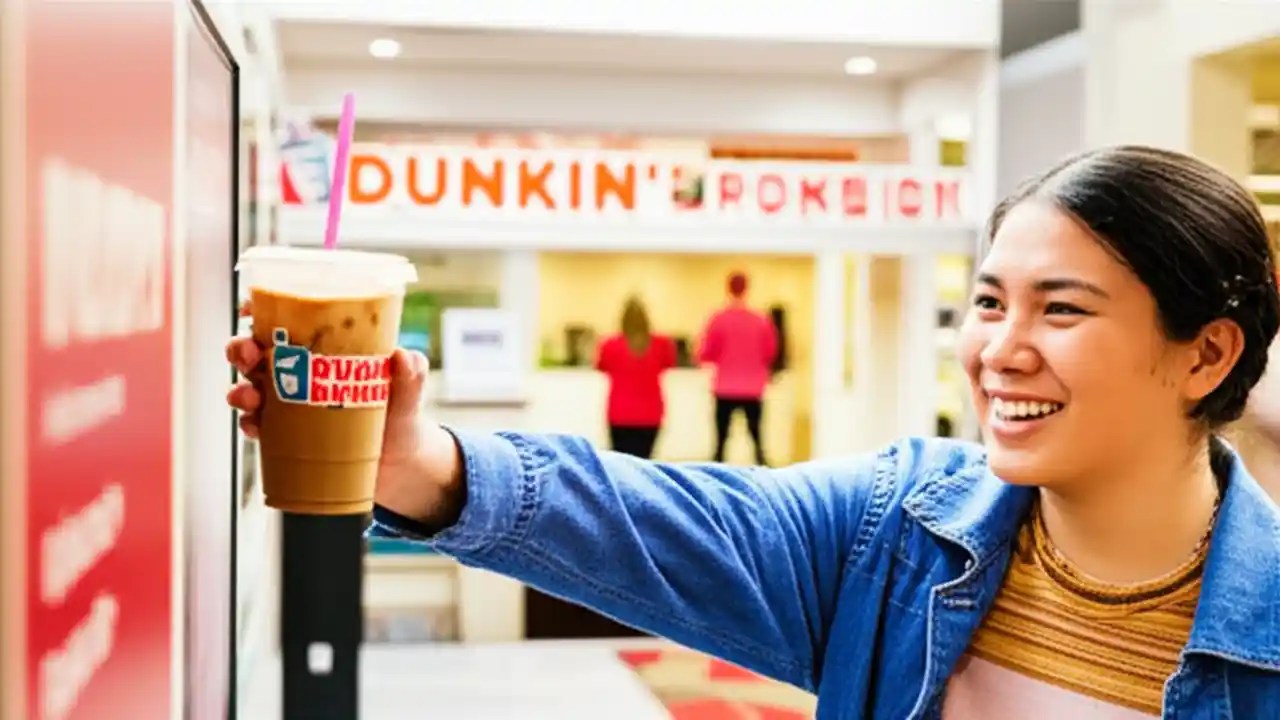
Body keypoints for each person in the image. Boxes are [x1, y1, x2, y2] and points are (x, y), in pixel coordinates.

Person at [227, 147, 1280, 717]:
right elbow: (660, 517)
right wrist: (422, 465)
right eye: (988, 302)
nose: (999, 349)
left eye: (1061, 310)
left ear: (1206, 354)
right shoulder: (895, 533)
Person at [698, 272, 778, 465]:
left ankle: (716, 477)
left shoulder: (718, 319)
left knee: (720, 442)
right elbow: (771, 352)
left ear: (728, 288)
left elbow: (706, 353)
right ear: (746, 288)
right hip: (753, 388)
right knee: (757, 439)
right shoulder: (761, 320)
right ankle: (764, 476)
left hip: (725, 388)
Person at [595, 297, 676, 459]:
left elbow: (601, 366)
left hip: (619, 413)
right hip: (651, 414)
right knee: (644, 463)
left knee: (620, 463)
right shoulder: (662, 344)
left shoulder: (609, 344)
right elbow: (669, 363)